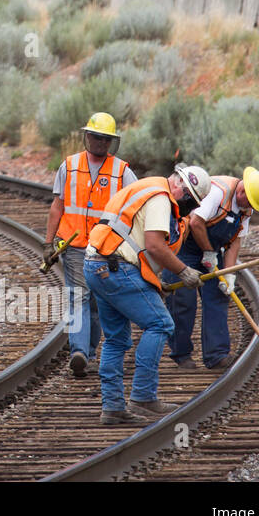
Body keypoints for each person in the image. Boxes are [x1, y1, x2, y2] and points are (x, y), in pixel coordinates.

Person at [84, 164, 208, 425]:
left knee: (116, 339)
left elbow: (136, 241)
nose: (188, 208)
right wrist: (184, 271)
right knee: (160, 324)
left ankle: (113, 407)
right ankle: (142, 397)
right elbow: (153, 245)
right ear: (180, 188)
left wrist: (154, 281)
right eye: (190, 201)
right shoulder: (161, 198)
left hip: (97, 265)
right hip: (115, 267)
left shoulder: (148, 188)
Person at [43, 112, 137, 379]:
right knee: (79, 297)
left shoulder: (122, 172)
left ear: (110, 142)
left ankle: (89, 353)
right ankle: (80, 351)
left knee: (96, 302)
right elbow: (57, 207)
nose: (98, 142)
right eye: (94, 137)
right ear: (86, 137)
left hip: (105, 250)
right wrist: (48, 243)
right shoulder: (69, 166)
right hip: (73, 247)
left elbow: (134, 211)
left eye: (103, 139)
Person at [163, 166, 259, 371]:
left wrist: (229, 274)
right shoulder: (218, 192)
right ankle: (182, 355)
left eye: (249, 201)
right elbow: (196, 223)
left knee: (218, 296)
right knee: (182, 300)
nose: (244, 202)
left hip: (212, 251)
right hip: (185, 246)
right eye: (244, 196)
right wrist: (208, 252)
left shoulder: (247, 209)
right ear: (242, 187)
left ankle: (217, 355)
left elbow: (235, 243)